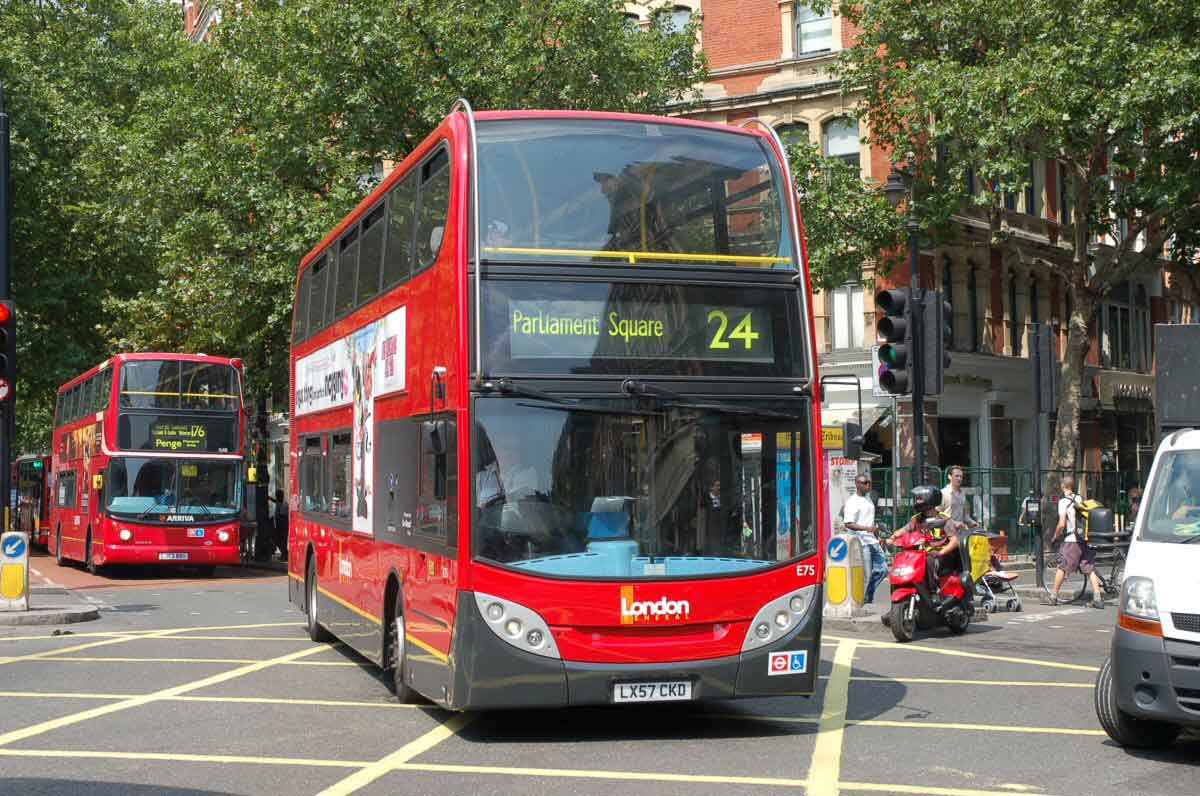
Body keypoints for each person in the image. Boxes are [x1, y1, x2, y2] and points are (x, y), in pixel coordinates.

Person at [892, 485, 964, 609]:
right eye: (917, 498)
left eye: (920, 498)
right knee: (900, 562)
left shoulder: (943, 519)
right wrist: (892, 537)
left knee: (929, 560)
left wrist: (941, 552)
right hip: (920, 553)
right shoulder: (917, 519)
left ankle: (933, 592)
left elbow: (954, 541)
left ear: (930, 499)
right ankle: (896, 603)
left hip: (941, 554)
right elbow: (904, 530)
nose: (917, 501)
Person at [1049, 475, 1104, 608]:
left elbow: (1062, 524)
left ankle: (1053, 597)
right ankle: (1097, 598)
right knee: (1089, 568)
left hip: (1072, 540)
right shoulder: (1081, 499)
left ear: (1063, 486)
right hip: (1085, 538)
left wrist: (1055, 536)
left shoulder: (1063, 502)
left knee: (1062, 567)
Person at [842, 473, 887, 609]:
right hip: (861, 543)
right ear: (857, 484)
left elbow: (870, 521)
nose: (868, 485)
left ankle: (867, 596)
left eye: (869, 482)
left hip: (872, 541)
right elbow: (848, 523)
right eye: (865, 483)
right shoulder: (852, 502)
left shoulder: (868, 499)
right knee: (867, 574)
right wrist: (868, 529)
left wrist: (877, 535)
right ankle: (864, 601)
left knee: (883, 570)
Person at [269, 488, 289, 560]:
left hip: (282, 527)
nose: (277, 497)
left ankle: (285, 555)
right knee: (279, 541)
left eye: (277, 496)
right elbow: (275, 501)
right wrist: (269, 498)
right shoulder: (279, 503)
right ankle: (284, 554)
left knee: (281, 541)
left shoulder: (284, 505)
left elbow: (283, 517)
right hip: (280, 527)